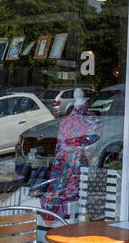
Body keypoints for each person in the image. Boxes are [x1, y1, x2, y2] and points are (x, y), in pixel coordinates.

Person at [41, 88, 99, 216]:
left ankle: (69, 214)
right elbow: (95, 142)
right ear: (86, 103)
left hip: (69, 161)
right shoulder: (90, 120)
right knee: (75, 188)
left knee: (70, 188)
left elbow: (60, 146)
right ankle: (71, 214)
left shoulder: (66, 122)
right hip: (78, 161)